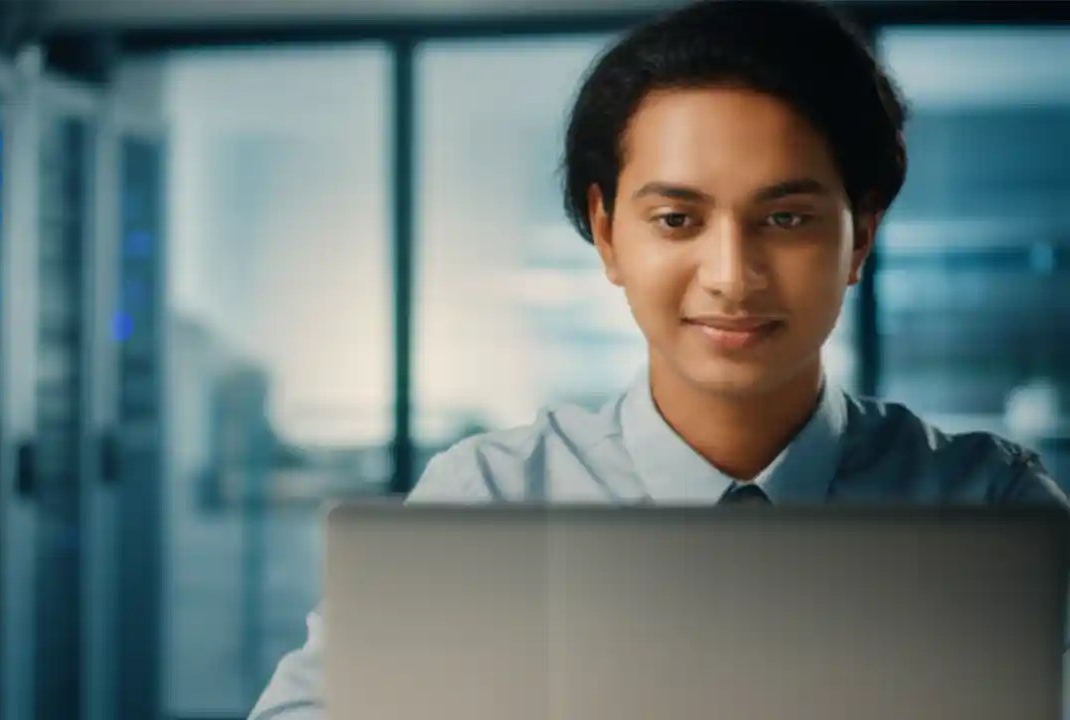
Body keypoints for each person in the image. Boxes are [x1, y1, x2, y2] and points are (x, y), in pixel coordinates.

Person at [250, 0, 1068, 716]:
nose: (731, 277)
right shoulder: (490, 499)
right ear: (608, 235)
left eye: (785, 219)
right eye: (677, 220)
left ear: (864, 234)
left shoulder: (990, 503)